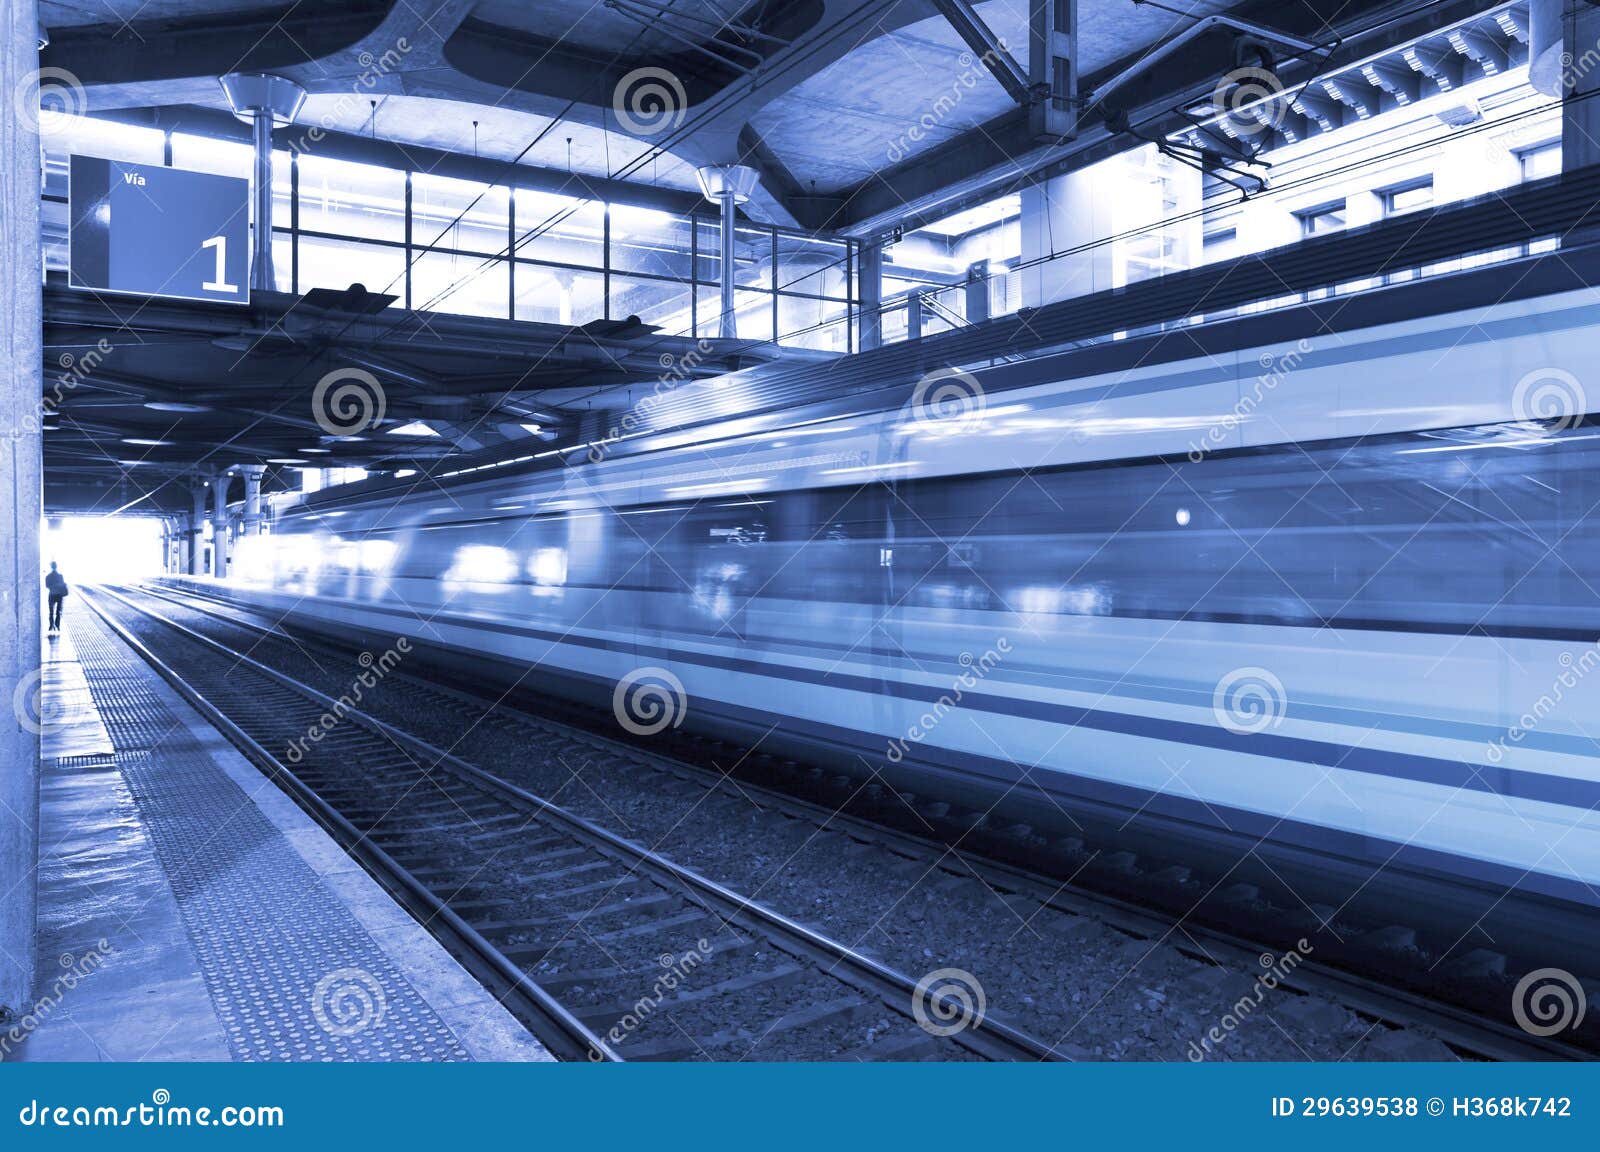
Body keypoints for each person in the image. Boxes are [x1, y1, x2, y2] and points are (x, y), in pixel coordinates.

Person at [45, 562, 68, 634]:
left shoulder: (48, 576)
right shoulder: (60, 576)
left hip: (52, 594)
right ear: (56, 566)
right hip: (59, 595)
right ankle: (57, 625)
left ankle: (51, 625)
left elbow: (47, 586)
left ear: (51, 567)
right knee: (58, 611)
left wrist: (53, 587)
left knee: (51, 611)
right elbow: (62, 584)